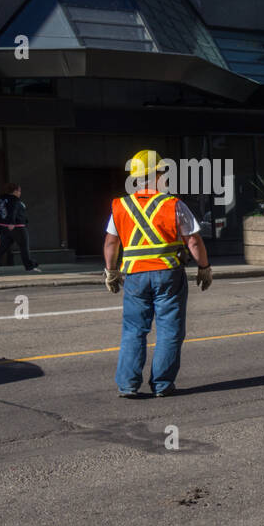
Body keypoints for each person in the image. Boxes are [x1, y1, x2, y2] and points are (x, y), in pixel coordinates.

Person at [104, 149, 213, 398]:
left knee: (134, 330)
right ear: (158, 174)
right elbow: (193, 241)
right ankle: (162, 384)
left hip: (135, 277)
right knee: (169, 330)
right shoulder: (173, 204)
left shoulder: (120, 206)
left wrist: (111, 272)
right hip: (167, 275)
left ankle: (128, 385)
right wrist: (204, 268)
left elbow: (111, 244)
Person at [0, 184, 40, 274]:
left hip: (5, 227)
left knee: (2, 248)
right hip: (17, 227)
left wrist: (4, 224)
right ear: (15, 191)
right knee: (24, 247)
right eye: (19, 191)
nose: (20, 193)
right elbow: (13, 210)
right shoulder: (14, 200)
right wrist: (12, 222)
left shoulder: (3, 199)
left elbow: (0, 212)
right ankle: (30, 267)